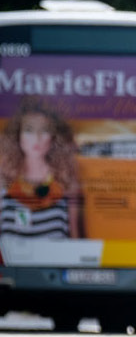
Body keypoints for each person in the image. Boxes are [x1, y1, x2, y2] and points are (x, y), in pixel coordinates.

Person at [0, 96, 86, 240]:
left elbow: (75, 236)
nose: (37, 138)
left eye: (45, 130)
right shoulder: (4, 179)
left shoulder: (65, 179)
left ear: (54, 136)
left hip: (56, 255)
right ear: (18, 135)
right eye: (29, 130)